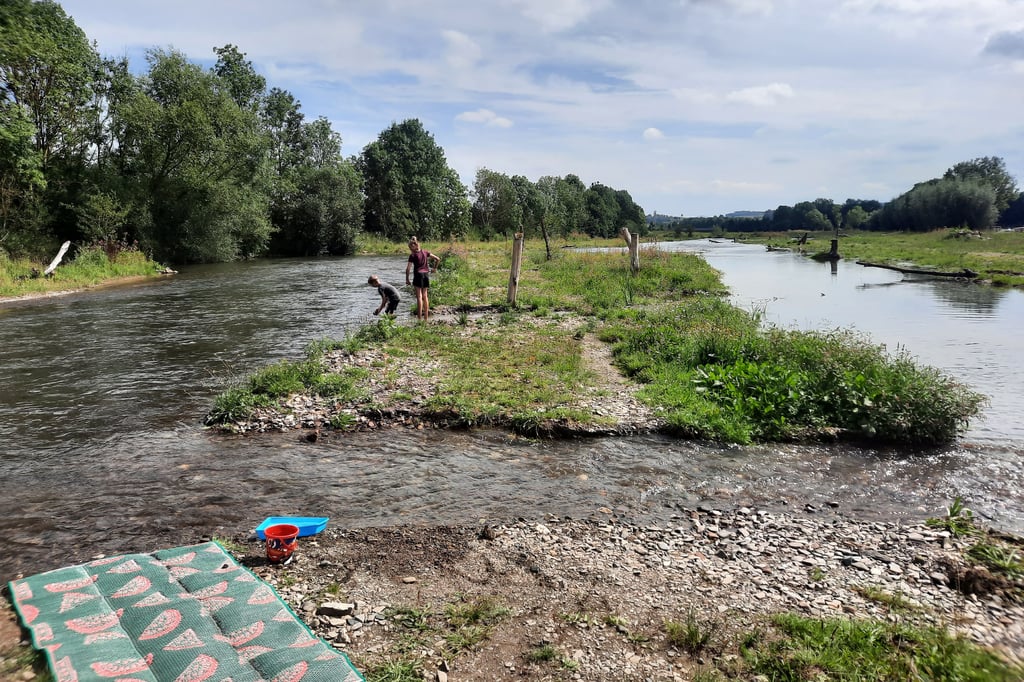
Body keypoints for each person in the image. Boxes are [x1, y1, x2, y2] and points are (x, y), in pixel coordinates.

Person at [405, 237, 441, 320]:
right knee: (425, 296)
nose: (410, 250)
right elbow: (438, 259)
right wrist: (434, 268)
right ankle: (426, 318)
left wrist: (407, 279)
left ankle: (419, 319)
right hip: (426, 275)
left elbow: (408, 269)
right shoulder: (425, 252)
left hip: (418, 275)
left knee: (419, 297)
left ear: (412, 247)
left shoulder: (412, 255)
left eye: (410, 248)